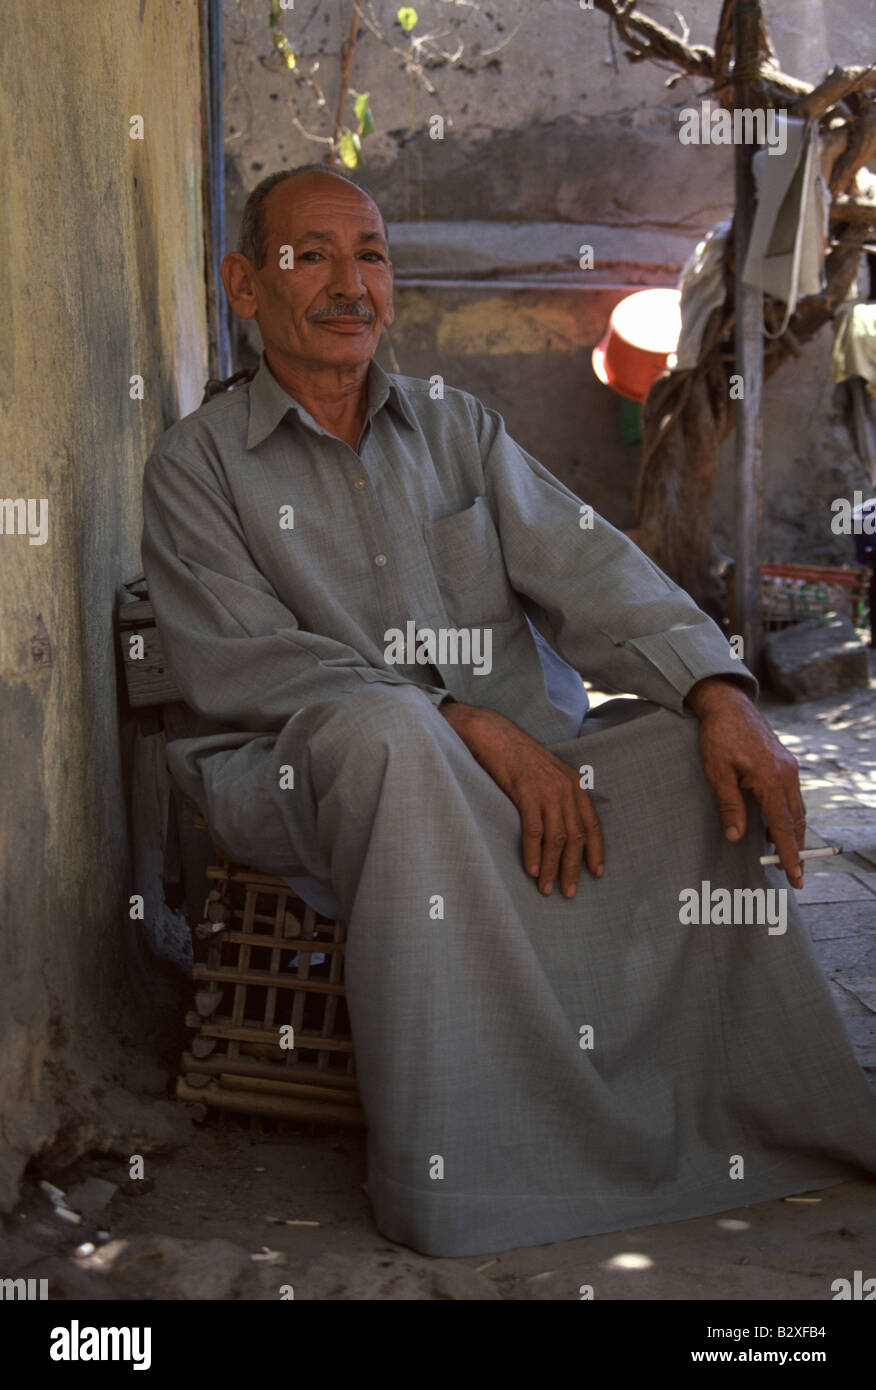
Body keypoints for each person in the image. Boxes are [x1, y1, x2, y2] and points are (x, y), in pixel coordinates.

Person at [141, 165, 876, 1258]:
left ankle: (739, 1120)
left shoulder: (456, 428)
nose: (351, 284)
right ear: (244, 284)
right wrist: (470, 724)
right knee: (395, 737)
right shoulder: (195, 468)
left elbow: (590, 570)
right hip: (307, 767)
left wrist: (718, 690)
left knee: (685, 754)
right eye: (313, 256)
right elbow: (256, 666)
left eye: (372, 254)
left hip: (524, 755)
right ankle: (477, 1183)